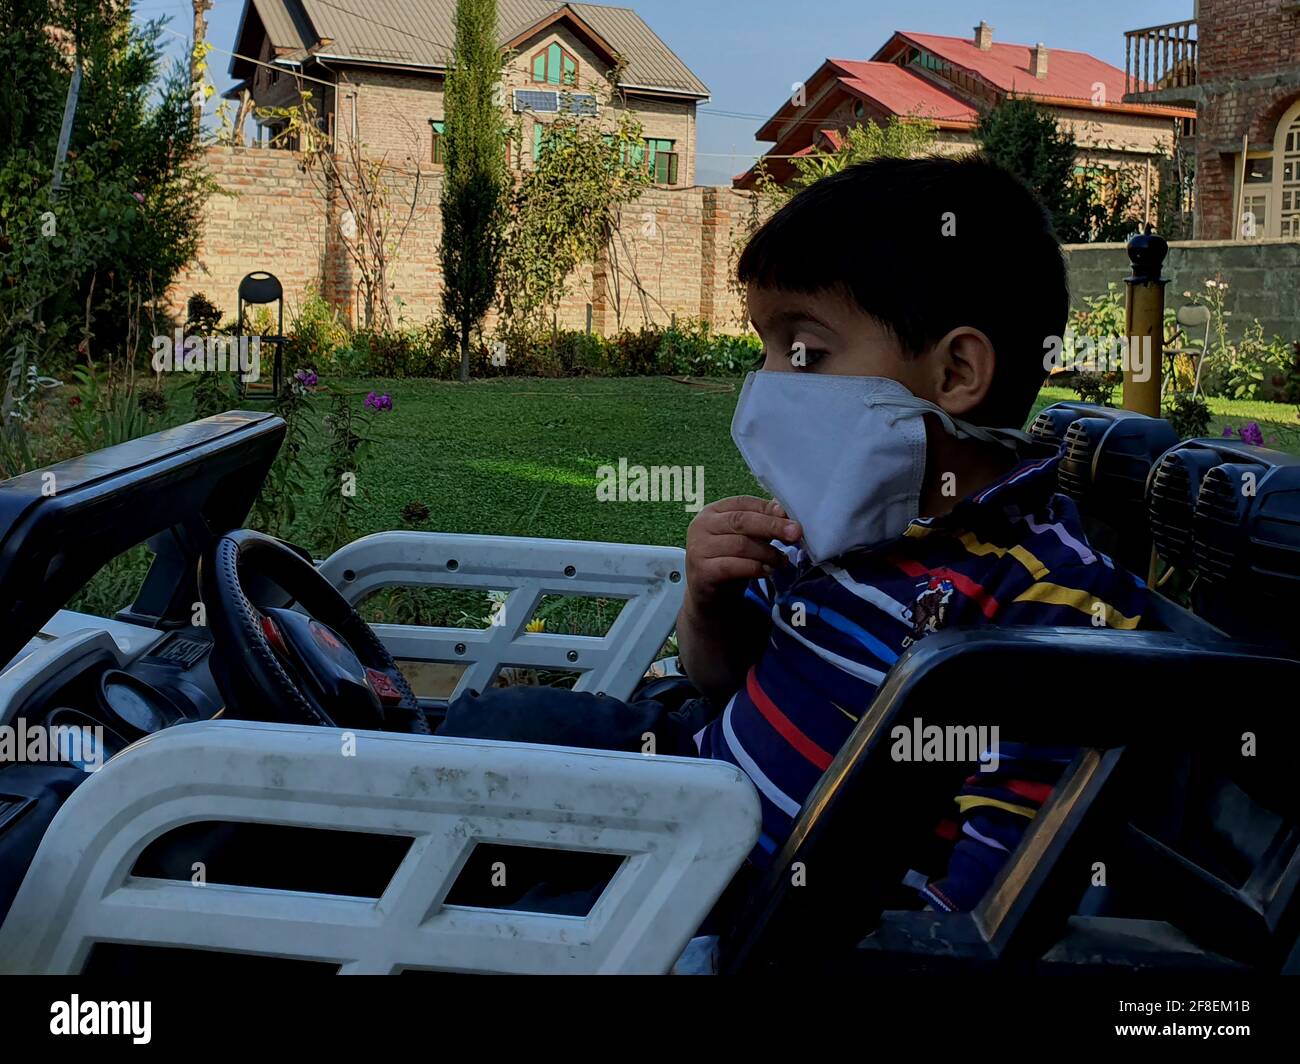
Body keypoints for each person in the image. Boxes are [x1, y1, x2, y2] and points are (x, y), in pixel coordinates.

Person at [440, 153, 1147, 914]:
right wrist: (709, 608)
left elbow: (994, 895)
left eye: (804, 352)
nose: (770, 383)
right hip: (696, 787)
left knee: (496, 915)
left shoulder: (1047, 598)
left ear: (956, 374)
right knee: (501, 726)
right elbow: (725, 683)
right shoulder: (853, 518)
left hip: (755, 911)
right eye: (766, 349)